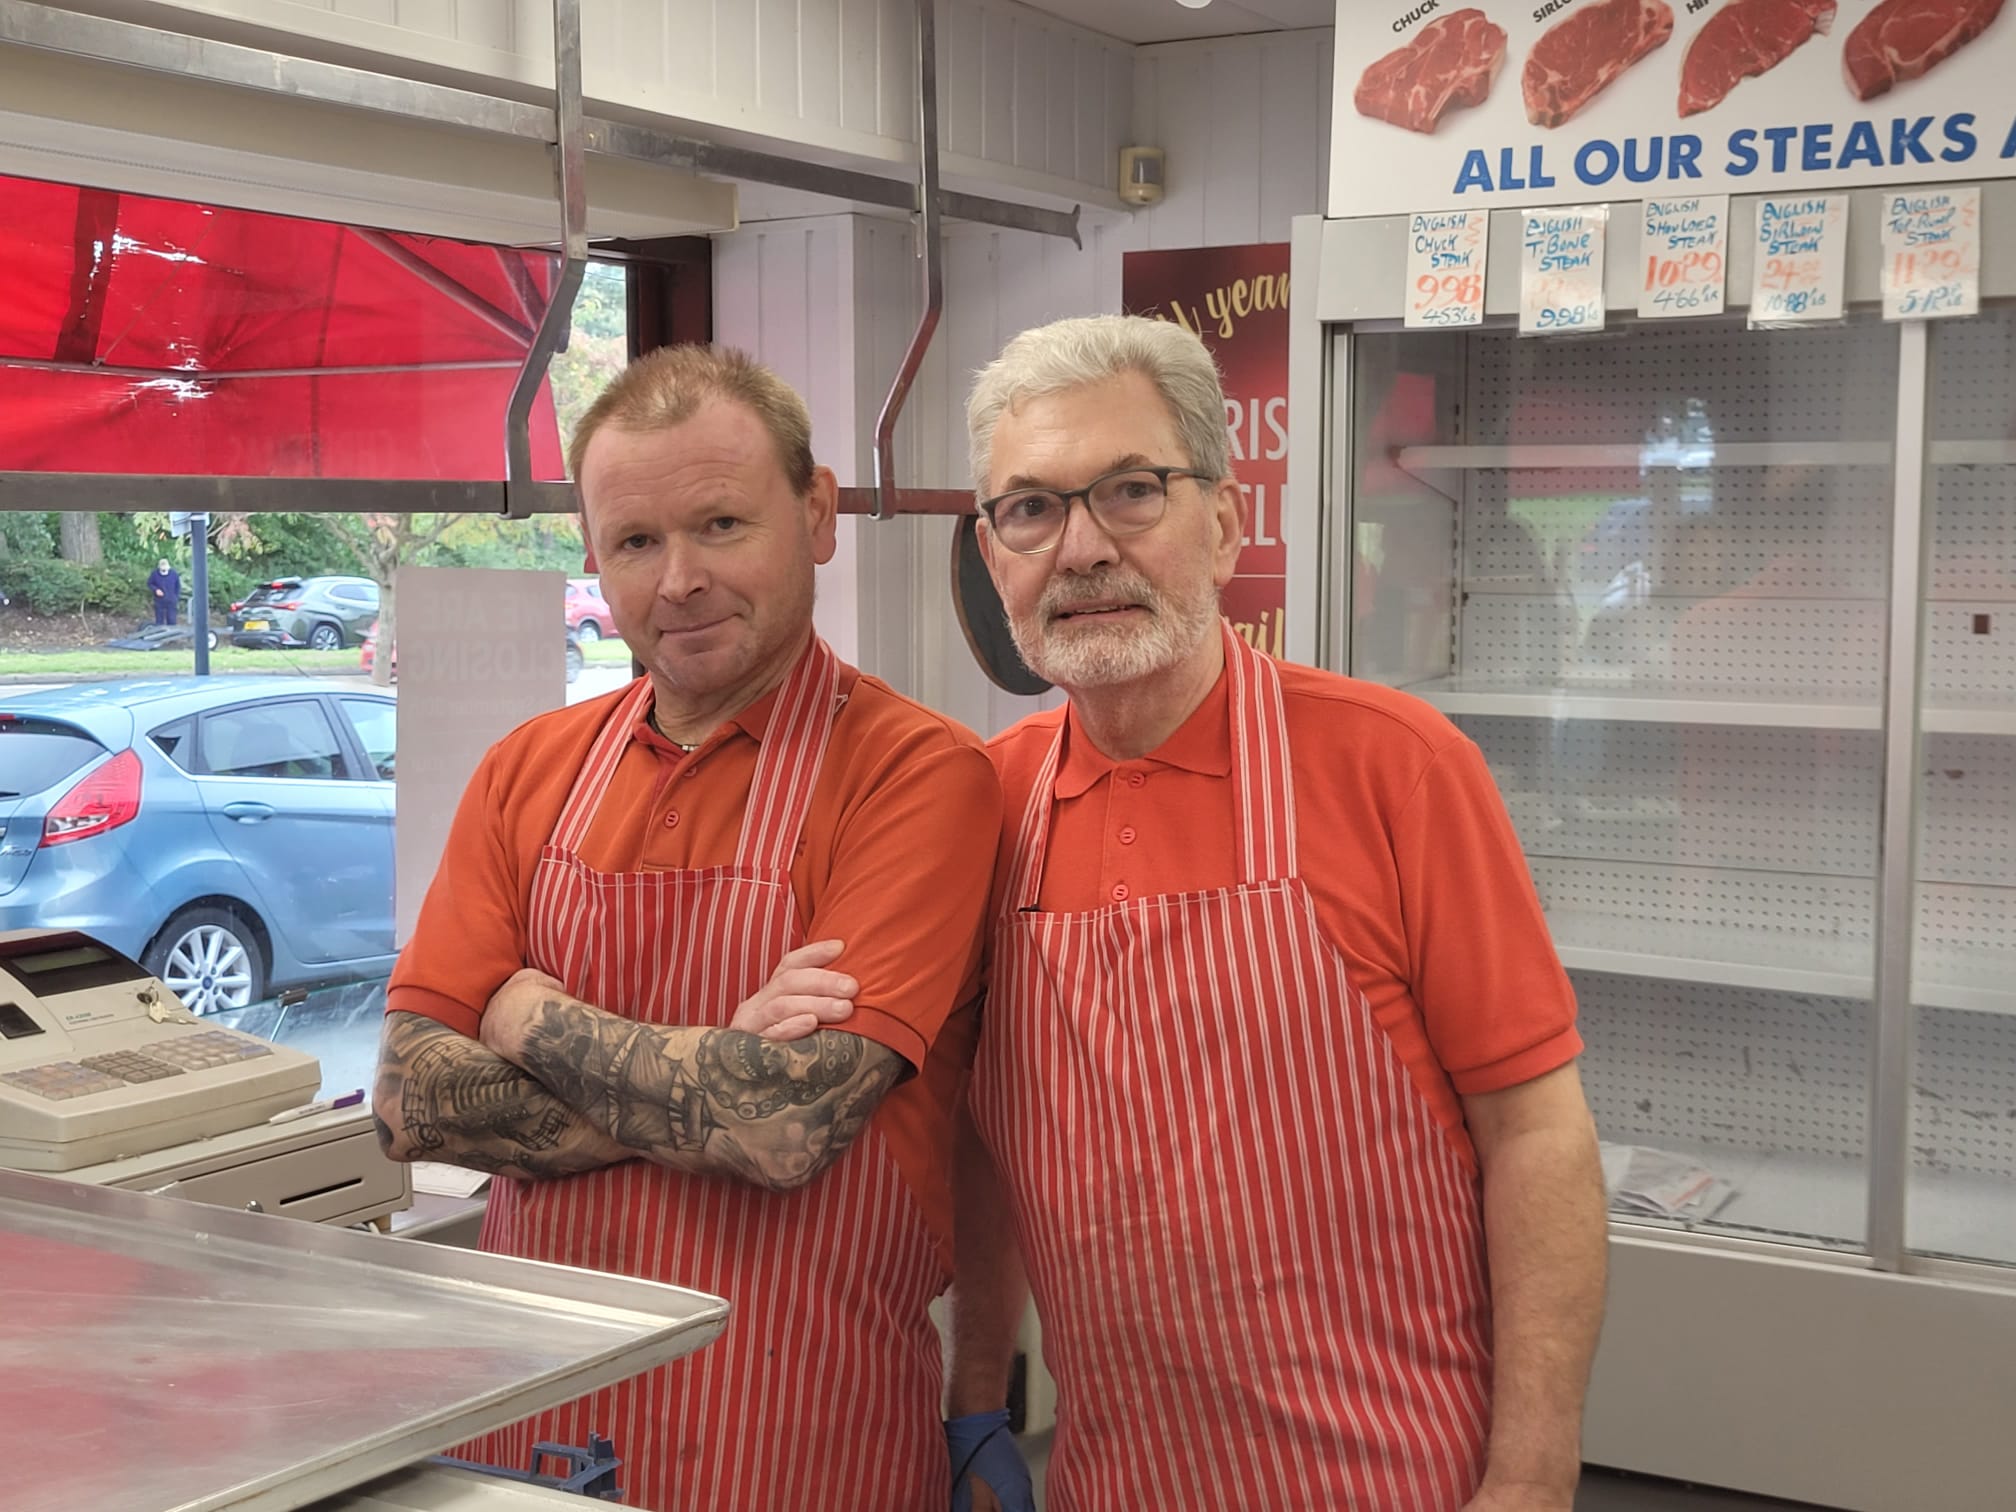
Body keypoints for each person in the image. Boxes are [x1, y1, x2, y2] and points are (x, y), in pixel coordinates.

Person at [944, 316, 1608, 1512]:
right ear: (995, 557)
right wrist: (977, 1399)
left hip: (1399, 1476)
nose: (1082, 548)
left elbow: (1537, 1139)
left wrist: (1534, 1474)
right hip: (1115, 1481)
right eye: (1031, 510)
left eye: (1131, 492)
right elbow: (987, 1154)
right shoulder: (985, 808)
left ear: (1227, 522)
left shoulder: (1395, 766)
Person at [371, 345, 1002, 1512]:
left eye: (721, 523)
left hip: (803, 1440)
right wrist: (718, 1064)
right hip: (530, 1440)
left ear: (815, 514)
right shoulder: (529, 771)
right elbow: (411, 1102)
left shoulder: (919, 776)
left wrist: (529, 1010)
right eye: (637, 542)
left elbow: (782, 1124)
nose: (680, 581)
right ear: (594, 556)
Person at [147, 557, 180, 626]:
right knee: (159, 620)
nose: (163, 569)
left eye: (165, 567)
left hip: (171, 599)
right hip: (159, 600)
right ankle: (159, 633)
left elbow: (178, 586)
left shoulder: (174, 574)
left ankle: (171, 633)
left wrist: (176, 597)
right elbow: (150, 583)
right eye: (162, 568)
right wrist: (156, 590)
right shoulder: (155, 574)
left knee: (171, 619)